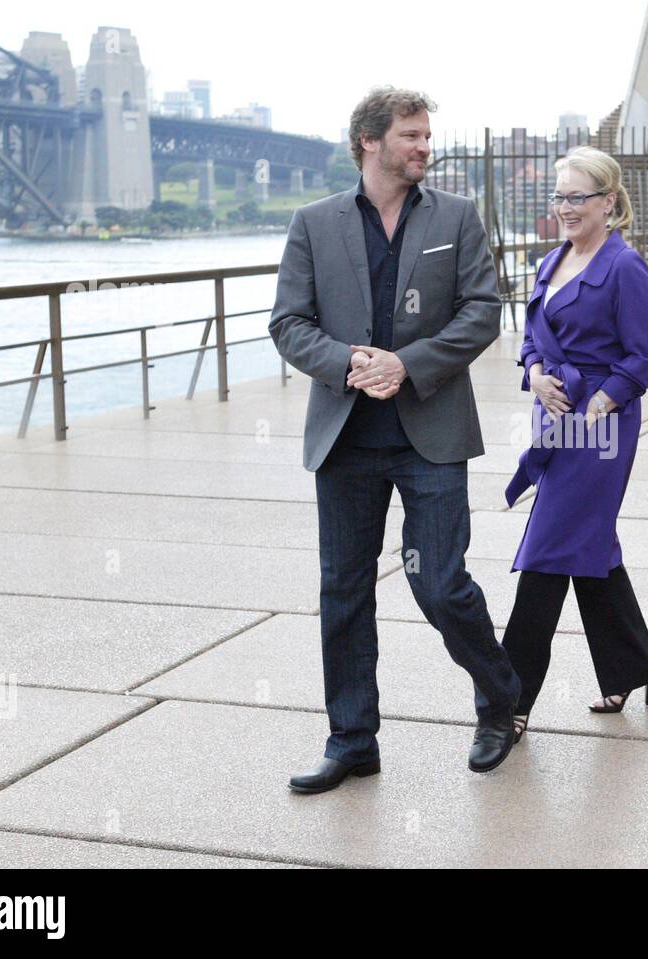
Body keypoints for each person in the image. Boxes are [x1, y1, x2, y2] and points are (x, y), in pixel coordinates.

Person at [269, 86, 521, 791]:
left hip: (430, 430)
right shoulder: (313, 223)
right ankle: (351, 740)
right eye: (411, 135)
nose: (424, 147)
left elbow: (481, 312)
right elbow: (289, 322)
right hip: (346, 436)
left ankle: (501, 699)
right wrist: (349, 363)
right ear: (370, 141)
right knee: (343, 590)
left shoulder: (457, 216)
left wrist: (406, 364)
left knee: (439, 583)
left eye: (426, 135)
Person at [502, 146, 648, 743]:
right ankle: (632, 668)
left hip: (600, 427)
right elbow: (532, 333)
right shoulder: (553, 260)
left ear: (608, 202)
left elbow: (647, 355)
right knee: (586, 544)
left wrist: (600, 404)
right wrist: (535, 373)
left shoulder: (626, 268)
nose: (565, 208)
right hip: (557, 416)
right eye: (559, 196)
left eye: (578, 197)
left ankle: (509, 699)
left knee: (547, 547)